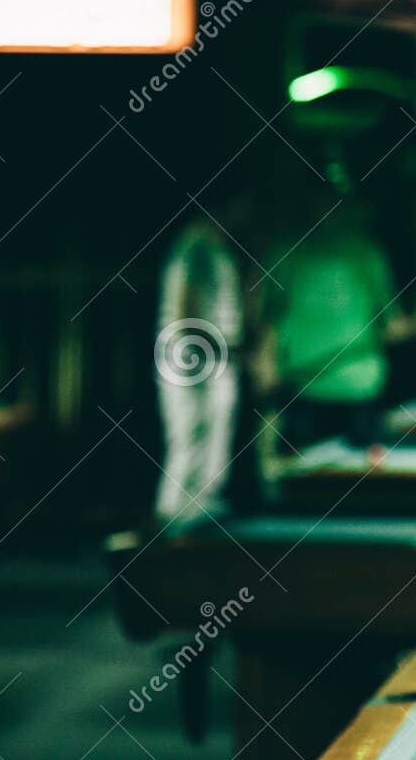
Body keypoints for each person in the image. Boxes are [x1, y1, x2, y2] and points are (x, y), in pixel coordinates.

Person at [261, 204, 397, 450]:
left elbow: (389, 323)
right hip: (306, 387)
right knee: (309, 481)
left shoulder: (367, 253)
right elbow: (271, 317)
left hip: (358, 387)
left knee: (353, 480)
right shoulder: (286, 250)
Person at [154, 214, 243, 524]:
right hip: (193, 359)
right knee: (191, 440)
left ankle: (199, 516)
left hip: (211, 359)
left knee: (211, 439)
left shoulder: (215, 247)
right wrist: (221, 347)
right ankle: (173, 526)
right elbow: (184, 309)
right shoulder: (196, 245)